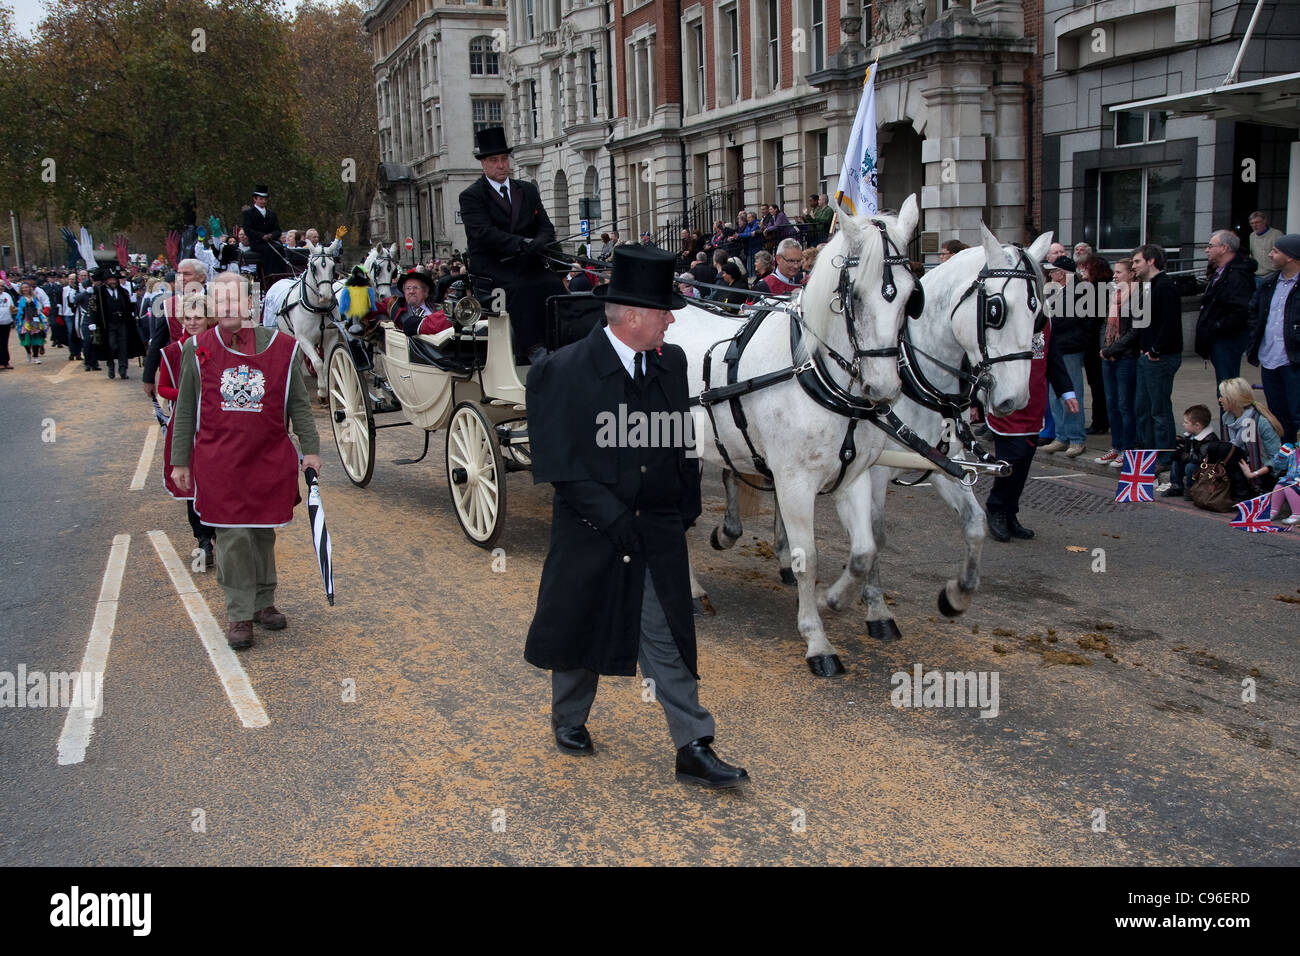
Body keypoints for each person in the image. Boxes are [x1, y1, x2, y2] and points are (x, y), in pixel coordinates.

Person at [523, 244, 747, 788]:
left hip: (658, 528)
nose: (673, 319)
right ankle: (568, 717)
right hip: (590, 530)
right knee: (583, 625)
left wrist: (686, 503)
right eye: (665, 310)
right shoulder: (564, 371)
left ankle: (693, 744)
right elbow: (561, 465)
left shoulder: (672, 363)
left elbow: (680, 441)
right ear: (632, 316)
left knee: (668, 632)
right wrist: (615, 519)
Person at [169, 272, 323, 650]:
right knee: (232, 535)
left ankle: (263, 602)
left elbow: (298, 405)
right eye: (219, 302)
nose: (227, 308)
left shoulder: (283, 347)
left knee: (261, 532)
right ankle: (239, 612)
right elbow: (186, 409)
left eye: (234, 300)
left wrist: (312, 450)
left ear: (250, 304)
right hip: (219, 461)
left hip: (266, 458)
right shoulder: (197, 348)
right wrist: (180, 462)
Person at [458, 126, 566, 363]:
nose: (501, 165)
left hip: (528, 260)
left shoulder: (527, 190)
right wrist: (521, 243)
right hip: (494, 265)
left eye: (504, 159)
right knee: (520, 289)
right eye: (494, 160)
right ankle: (532, 347)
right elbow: (483, 234)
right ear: (484, 164)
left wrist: (537, 243)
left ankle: (561, 342)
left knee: (553, 285)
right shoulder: (472, 196)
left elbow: (546, 226)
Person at [985, 300, 1079, 542]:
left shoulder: (1045, 323)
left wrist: (1066, 391)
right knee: (1011, 459)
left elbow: (1053, 358)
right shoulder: (1002, 323)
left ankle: (1010, 512)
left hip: (1034, 404)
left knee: (1024, 461)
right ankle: (996, 508)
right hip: (1007, 403)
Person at [158, 292, 217, 565]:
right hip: (186, 426)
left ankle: (223, 534)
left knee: (218, 480)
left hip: (216, 424)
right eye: (188, 318)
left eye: (199, 318)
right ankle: (203, 540)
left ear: (209, 320)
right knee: (191, 486)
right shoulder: (171, 353)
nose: (193, 322)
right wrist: (186, 393)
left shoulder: (219, 347)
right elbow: (163, 388)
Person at [1131, 244, 1183, 478]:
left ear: (1151, 261)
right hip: (1147, 356)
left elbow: (1169, 324)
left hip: (1161, 357)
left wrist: (1155, 350)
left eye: (1137, 261)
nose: (1134, 266)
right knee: (1142, 408)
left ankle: (1164, 455)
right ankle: (1147, 451)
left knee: (1159, 409)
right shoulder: (1149, 287)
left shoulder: (1165, 286)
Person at [1246, 233, 1300, 444]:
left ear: (1291, 257)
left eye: (1276, 251)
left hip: (1294, 361)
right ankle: (1284, 461)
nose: (1270, 254)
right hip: (1270, 359)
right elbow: (1253, 311)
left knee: (1297, 414)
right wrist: (1256, 335)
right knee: (1277, 416)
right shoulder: (1269, 283)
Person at [1038, 256, 1087, 457]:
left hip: (1069, 347)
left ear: (1063, 273)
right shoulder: (1055, 292)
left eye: (1054, 271)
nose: (1050, 274)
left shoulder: (1080, 291)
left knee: (1071, 393)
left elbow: (1066, 318)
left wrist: (1047, 322)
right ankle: (1061, 436)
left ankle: (1076, 438)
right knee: (1054, 395)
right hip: (1054, 347)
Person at [1195, 229, 1256, 388]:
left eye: (1211, 246)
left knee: (1228, 388)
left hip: (1228, 339)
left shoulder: (1237, 275)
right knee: (1224, 387)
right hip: (1219, 338)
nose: (1207, 250)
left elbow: (1241, 310)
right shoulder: (1220, 272)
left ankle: (1231, 413)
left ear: (1224, 248)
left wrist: (1217, 327)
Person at [1096, 258, 1140, 467]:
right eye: (1114, 272)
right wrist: (1104, 348)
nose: (1114, 276)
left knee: (1125, 404)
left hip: (1126, 357)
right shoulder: (1115, 296)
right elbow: (1105, 324)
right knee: (1111, 403)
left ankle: (1128, 448)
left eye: (1119, 272)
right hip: (1108, 357)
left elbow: (1135, 331)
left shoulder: (1139, 297)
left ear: (1132, 274)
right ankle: (1116, 445)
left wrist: (1113, 349)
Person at [1219, 376, 1283, 475]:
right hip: (1236, 473)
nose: (1219, 400)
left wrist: (1254, 474)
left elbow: (1277, 458)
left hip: (1262, 476)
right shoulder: (1226, 418)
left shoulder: (1261, 422)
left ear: (1233, 400)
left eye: (1222, 396)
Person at [1078, 255, 1110, 435]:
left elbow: (1090, 319)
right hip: (1095, 343)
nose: (1083, 272)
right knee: (1099, 385)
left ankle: (1100, 422)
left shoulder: (1095, 290)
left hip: (1094, 345)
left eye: (1085, 268)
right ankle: (1101, 420)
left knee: (1098, 385)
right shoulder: (1101, 288)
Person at [1163, 404, 1215, 498]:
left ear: (1197, 426)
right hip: (1192, 460)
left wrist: (1183, 455)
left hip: (1206, 468)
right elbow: (1188, 450)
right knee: (1176, 461)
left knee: (1190, 467)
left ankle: (1193, 489)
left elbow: (1200, 458)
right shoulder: (1191, 434)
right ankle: (1176, 487)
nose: (1183, 424)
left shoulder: (1208, 439)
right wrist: (1180, 444)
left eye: (1186, 422)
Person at [391, 268, 451, 337]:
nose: (411, 291)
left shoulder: (439, 310)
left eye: (416, 288)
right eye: (408, 288)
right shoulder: (396, 307)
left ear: (425, 291)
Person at [1254, 442, 1300, 525]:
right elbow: (1280, 466)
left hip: (1297, 483)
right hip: (1290, 480)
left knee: (1289, 487)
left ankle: (1297, 514)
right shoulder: (1293, 452)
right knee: (1279, 486)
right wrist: (1281, 456)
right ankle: (1274, 511)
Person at [1248, 212, 1283, 287]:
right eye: (1252, 223)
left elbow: (1282, 255)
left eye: (1257, 222)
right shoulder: (1252, 236)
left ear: (1264, 221)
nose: (1254, 225)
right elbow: (1252, 255)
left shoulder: (1276, 235)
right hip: (1257, 276)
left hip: (1273, 275)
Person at [15, 281, 47, 364]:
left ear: (29, 288)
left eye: (26, 287)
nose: (24, 289)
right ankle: (28, 353)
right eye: (23, 288)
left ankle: (36, 357)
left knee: (36, 338)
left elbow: (39, 309)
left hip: (35, 320)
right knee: (25, 338)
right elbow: (19, 310)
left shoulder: (35, 298)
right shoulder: (20, 299)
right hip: (24, 321)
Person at [0, 282, 12, 369]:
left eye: (2, 286)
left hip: (6, 322)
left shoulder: (7, 295)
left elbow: (11, 306)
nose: (1, 287)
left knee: (5, 342)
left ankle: (6, 361)